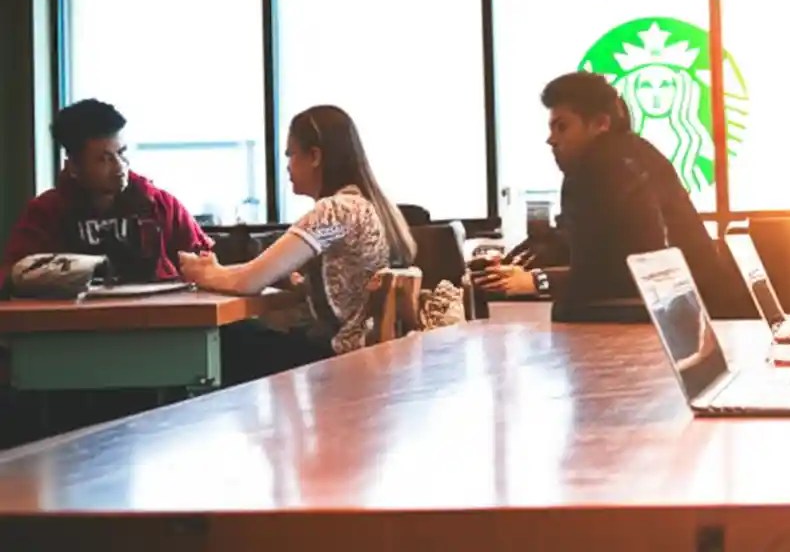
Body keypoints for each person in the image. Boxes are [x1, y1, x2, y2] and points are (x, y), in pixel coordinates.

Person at [180, 105, 415, 383]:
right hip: (365, 357)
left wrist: (202, 272)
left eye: (291, 155)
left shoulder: (336, 210)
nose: (288, 166)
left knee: (224, 340)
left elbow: (249, 281)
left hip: (340, 358)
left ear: (314, 156)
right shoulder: (366, 205)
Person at [477, 72, 729, 321]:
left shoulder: (593, 169)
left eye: (562, 126)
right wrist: (528, 260)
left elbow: (615, 274)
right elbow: (592, 241)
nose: (551, 139)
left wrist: (536, 280)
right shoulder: (640, 153)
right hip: (709, 307)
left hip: (669, 317)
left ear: (600, 123)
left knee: (562, 315)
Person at [0, 99, 212, 288]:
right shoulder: (46, 212)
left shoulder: (159, 203)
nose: (120, 167)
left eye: (121, 153)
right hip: (76, 322)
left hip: (159, 317)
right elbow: (14, 274)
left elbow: (205, 263)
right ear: (74, 165)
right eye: (104, 159)